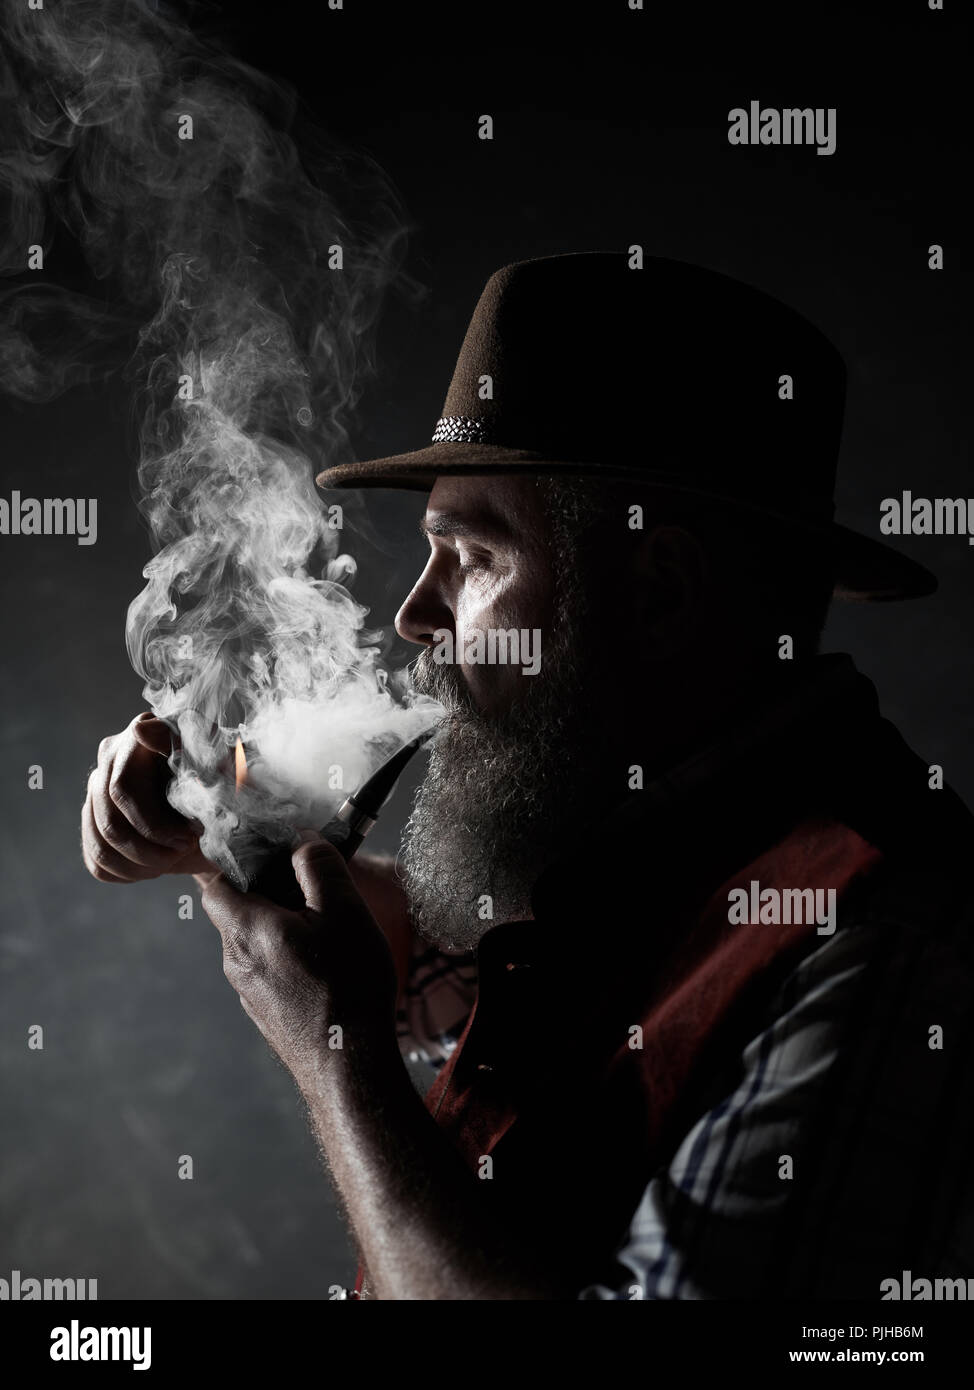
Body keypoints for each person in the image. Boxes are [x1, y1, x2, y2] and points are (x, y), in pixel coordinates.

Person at [81, 254, 974, 1299]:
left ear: (657, 589)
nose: (415, 613)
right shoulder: (631, 841)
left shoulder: (881, 944)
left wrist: (337, 1065)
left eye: (470, 555)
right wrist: (217, 826)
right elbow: (410, 960)